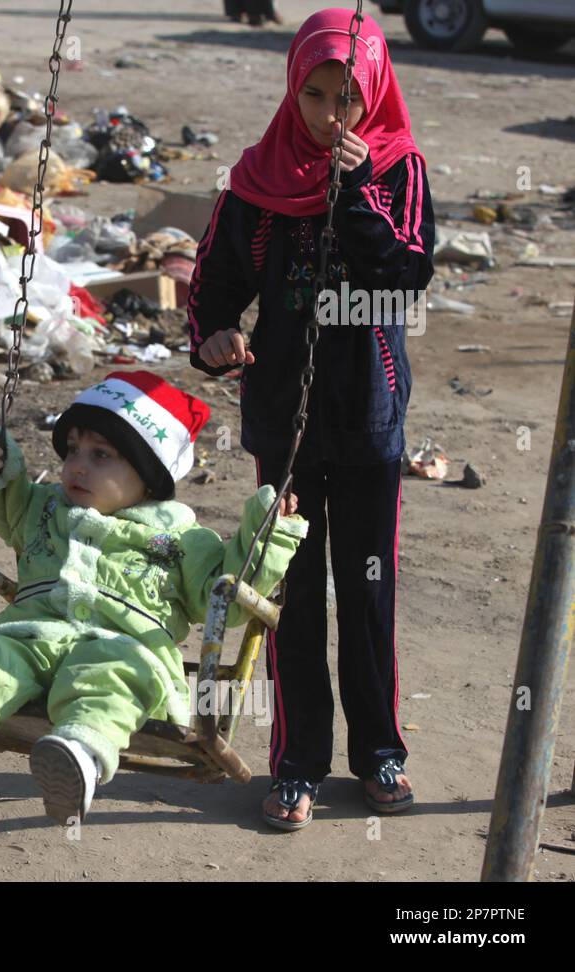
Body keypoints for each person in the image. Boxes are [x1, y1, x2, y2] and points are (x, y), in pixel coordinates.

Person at [186, 9, 435, 830]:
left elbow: (405, 276)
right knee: (288, 597)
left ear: (374, 97)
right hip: (284, 432)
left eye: (348, 100)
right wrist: (216, 337)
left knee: (368, 594)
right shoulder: (258, 182)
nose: (332, 117)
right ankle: (296, 764)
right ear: (293, 91)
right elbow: (215, 288)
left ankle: (380, 755)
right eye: (316, 95)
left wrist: (355, 195)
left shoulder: (397, 173)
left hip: (368, 419)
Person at [0, 372, 308, 824]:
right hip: (32, 632)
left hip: (129, 647)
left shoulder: (183, 539)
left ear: (150, 477)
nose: (77, 465)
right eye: (73, 450)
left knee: (109, 681)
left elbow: (231, 595)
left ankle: (78, 755)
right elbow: (8, 498)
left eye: (101, 455)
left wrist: (268, 531)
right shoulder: (45, 507)